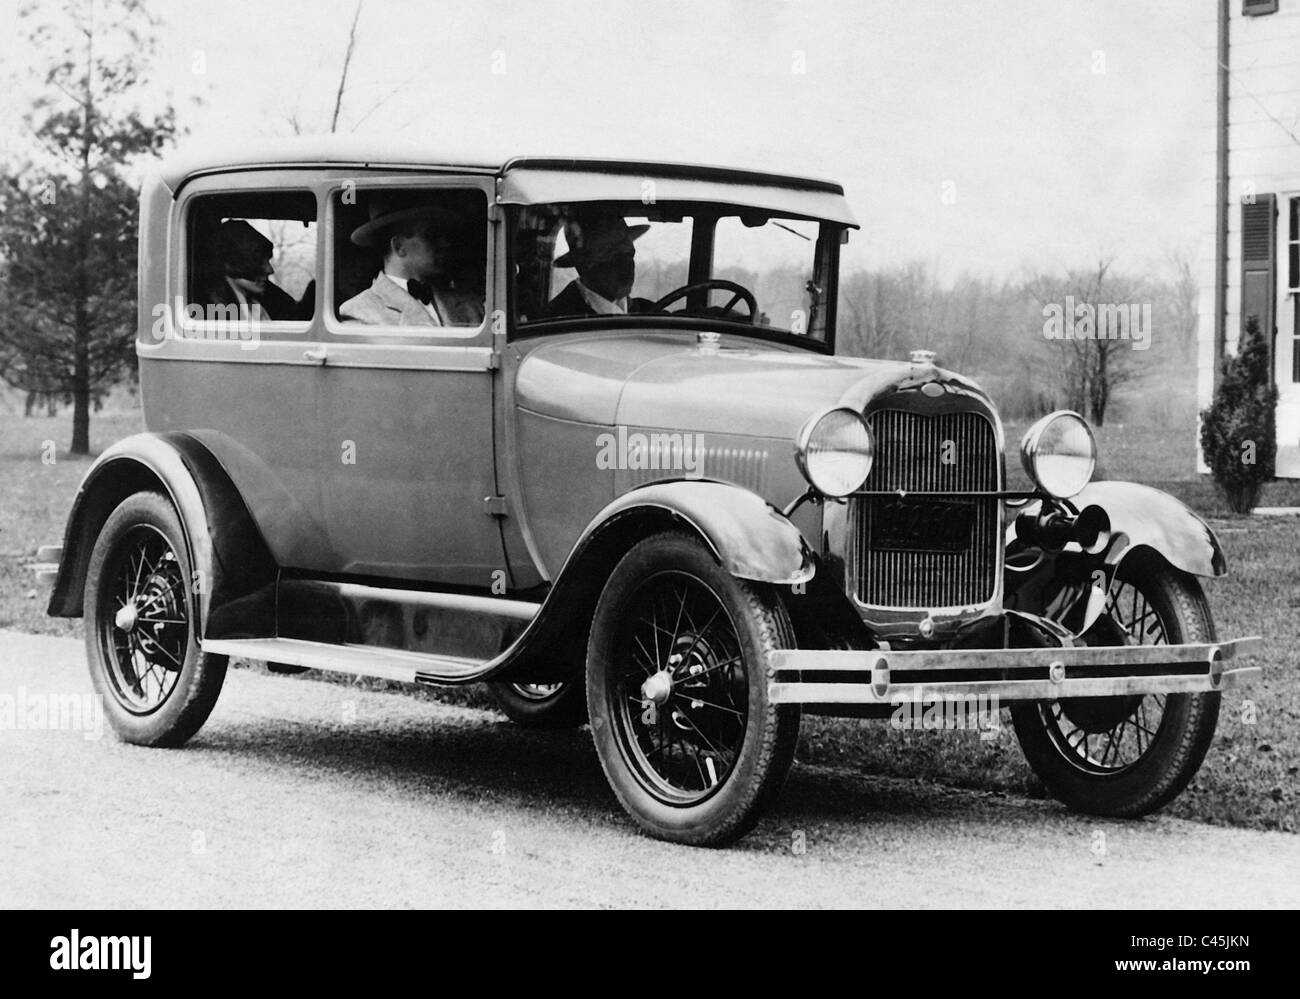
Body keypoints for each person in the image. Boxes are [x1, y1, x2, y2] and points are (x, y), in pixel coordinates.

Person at [339, 196, 484, 327]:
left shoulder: (470, 305)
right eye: (431, 236)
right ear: (399, 246)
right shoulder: (359, 313)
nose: (444, 243)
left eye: (443, 235)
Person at [543, 211, 653, 318]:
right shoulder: (551, 322)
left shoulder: (652, 314)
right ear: (584, 265)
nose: (627, 265)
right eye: (613, 257)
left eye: (629, 255)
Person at [200, 220, 312, 321]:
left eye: (267, 261)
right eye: (258, 263)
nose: (270, 270)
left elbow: (295, 317)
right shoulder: (211, 309)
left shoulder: (267, 293)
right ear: (231, 265)